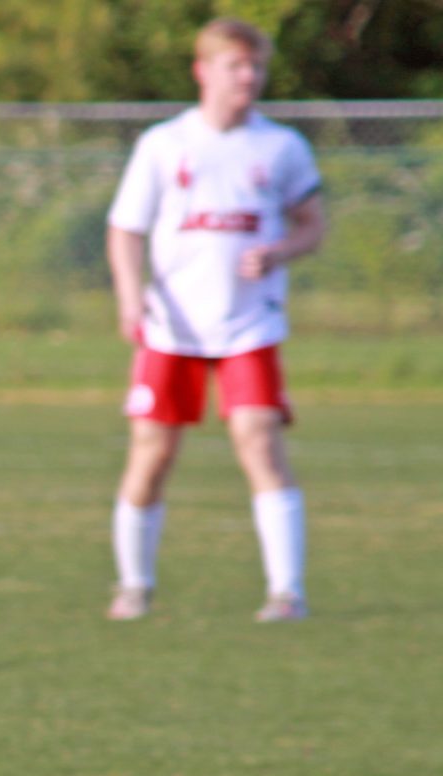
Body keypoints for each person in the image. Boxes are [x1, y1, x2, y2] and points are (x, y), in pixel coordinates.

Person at [103, 16, 326, 623]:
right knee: (151, 455)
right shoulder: (164, 144)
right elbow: (125, 230)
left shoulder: (280, 147)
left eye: (256, 67)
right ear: (204, 71)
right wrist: (130, 299)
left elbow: (312, 225)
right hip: (171, 327)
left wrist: (279, 251)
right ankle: (133, 585)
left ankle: (287, 592)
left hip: (249, 325)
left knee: (259, 440)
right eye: (236, 66)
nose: (248, 77)